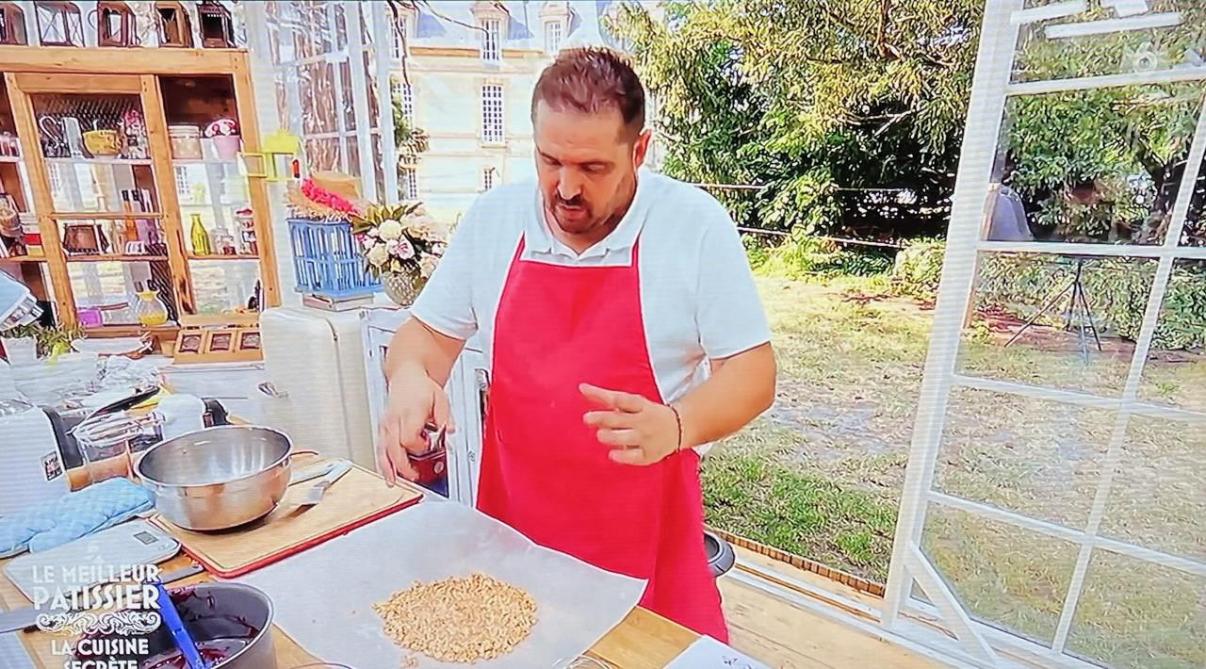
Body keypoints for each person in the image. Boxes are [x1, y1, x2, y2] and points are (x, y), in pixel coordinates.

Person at [376, 48, 777, 642]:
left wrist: (677, 424)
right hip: (515, 542)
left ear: (639, 151)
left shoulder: (692, 227)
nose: (565, 187)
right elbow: (425, 336)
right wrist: (411, 377)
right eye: (550, 160)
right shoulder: (495, 220)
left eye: (592, 167)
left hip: (646, 549)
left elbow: (753, 373)